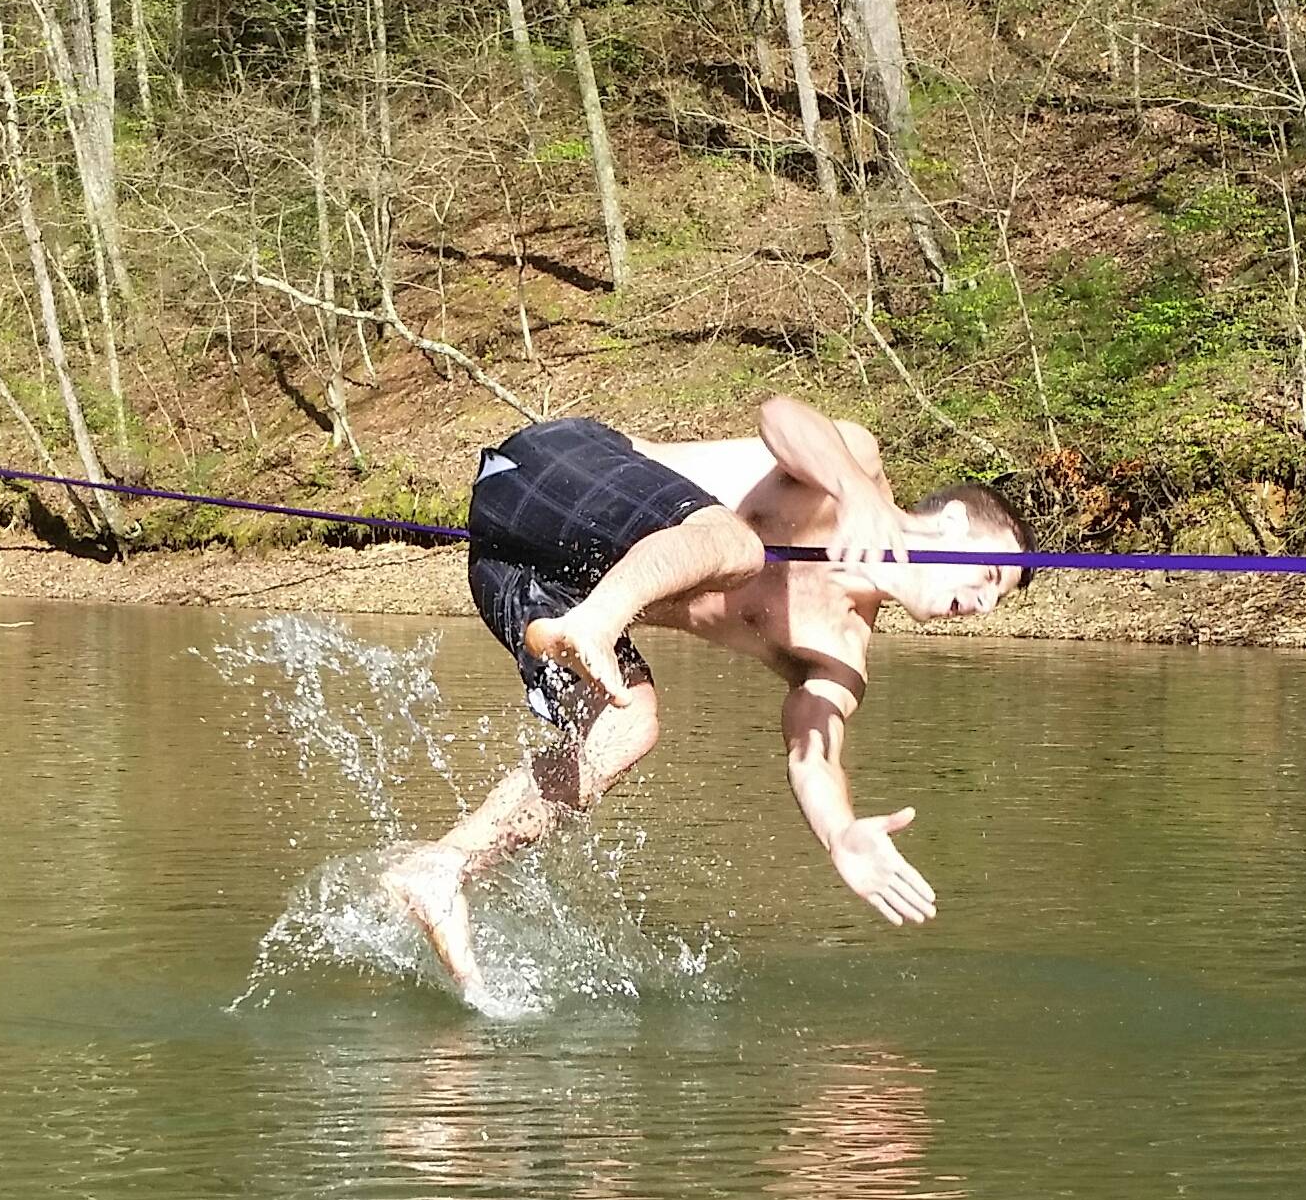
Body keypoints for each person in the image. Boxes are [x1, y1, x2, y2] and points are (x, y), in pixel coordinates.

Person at [384, 396, 1034, 999]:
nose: (978, 603)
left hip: (515, 560)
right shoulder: (849, 466)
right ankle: (596, 623)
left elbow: (814, 756)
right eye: (986, 575)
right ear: (949, 519)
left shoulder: (842, 649)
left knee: (627, 726)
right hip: (545, 467)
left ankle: (443, 867)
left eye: (992, 602)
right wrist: (854, 492)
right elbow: (779, 413)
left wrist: (839, 832)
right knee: (738, 546)